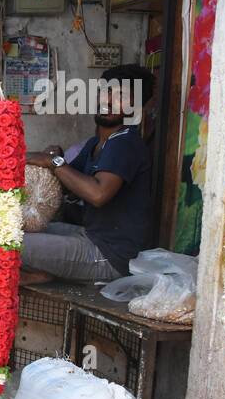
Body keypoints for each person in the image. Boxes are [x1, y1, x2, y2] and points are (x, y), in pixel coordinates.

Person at [23, 66, 154, 283]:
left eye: (121, 96)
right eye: (106, 91)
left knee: (7, 242)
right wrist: (52, 159)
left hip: (109, 256)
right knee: (14, 227)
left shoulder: (125, 143)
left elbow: (98, 194)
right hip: (89, 236)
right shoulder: (97, 143)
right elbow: (65, 184)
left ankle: (46, 273)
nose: (109, 100)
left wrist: (53, 163)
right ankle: (46, 272)